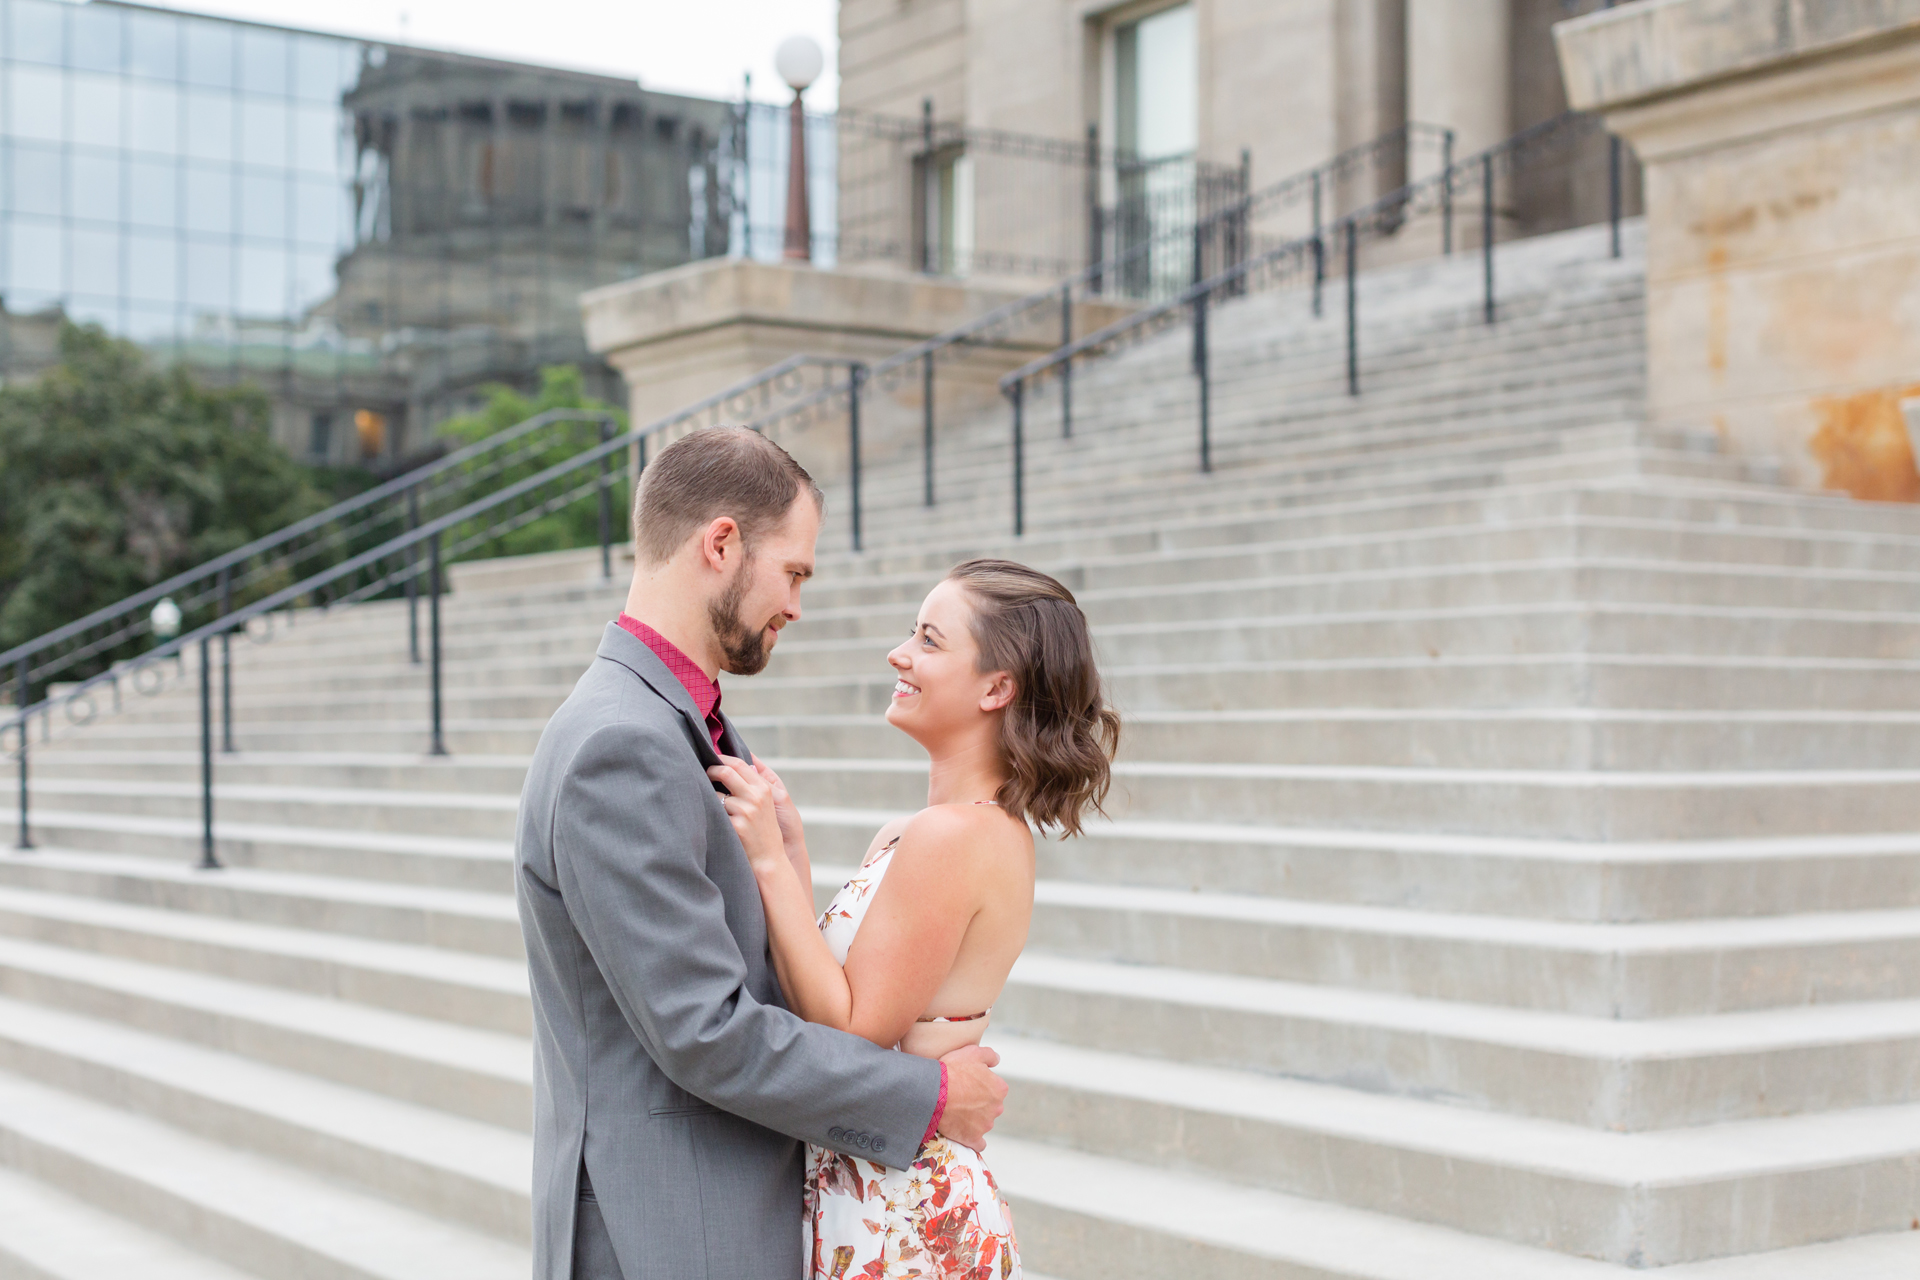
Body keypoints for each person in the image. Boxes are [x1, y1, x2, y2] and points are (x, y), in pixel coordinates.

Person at [515, 426, 1008, 1280]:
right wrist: (926, 1099)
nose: (796, 606)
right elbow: (705, 1032)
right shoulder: (620, 745)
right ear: (721, 544)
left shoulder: (673, 723)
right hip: (672, 1230)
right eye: (794, 573)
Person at [711, 558, 1121, 1278]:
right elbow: (838, 993)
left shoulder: (954, 836)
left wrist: (771, 864)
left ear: (998, 687)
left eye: (930, 640)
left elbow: (848, 1031)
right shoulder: (920, 832)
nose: (900, 654)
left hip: (903, 1210)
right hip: (877, 1188)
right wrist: (795, 851)